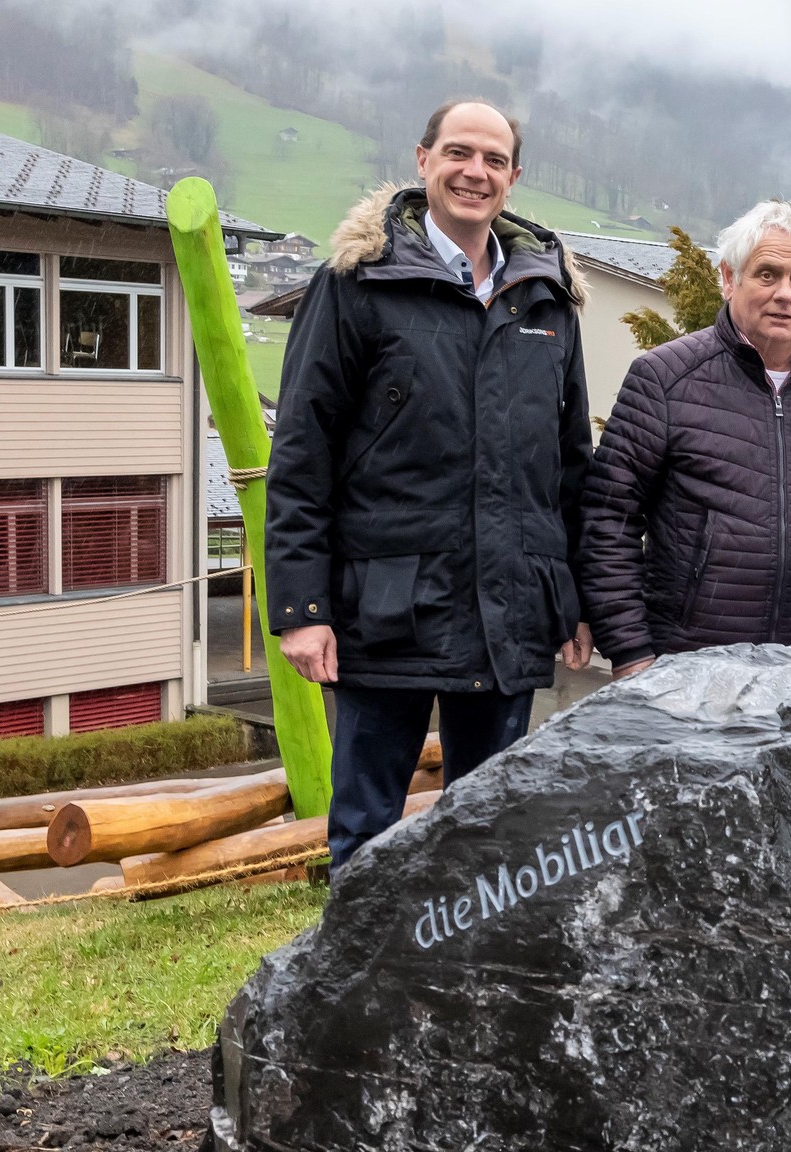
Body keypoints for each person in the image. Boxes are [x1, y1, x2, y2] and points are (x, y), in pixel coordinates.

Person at [266, 99, 594, 869]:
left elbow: (571, 465)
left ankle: (473, 954)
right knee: (367, 835)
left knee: (488, 841)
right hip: (389, 610)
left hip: (511, 610)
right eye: (458, 153)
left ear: (514, 177)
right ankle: (359, 953)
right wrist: (302, 610)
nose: (475, 172)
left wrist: (576, 601)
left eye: (493, 159)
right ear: (423, 161)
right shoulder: (357, 283)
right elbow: (303, 455)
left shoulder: (547, 297)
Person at [579, 201, 791, 676]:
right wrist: (629, 651)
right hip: (683, 662)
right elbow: (608, 519)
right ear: (729, 278)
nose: (786, 294)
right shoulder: (663, 378)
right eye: (767, 274)